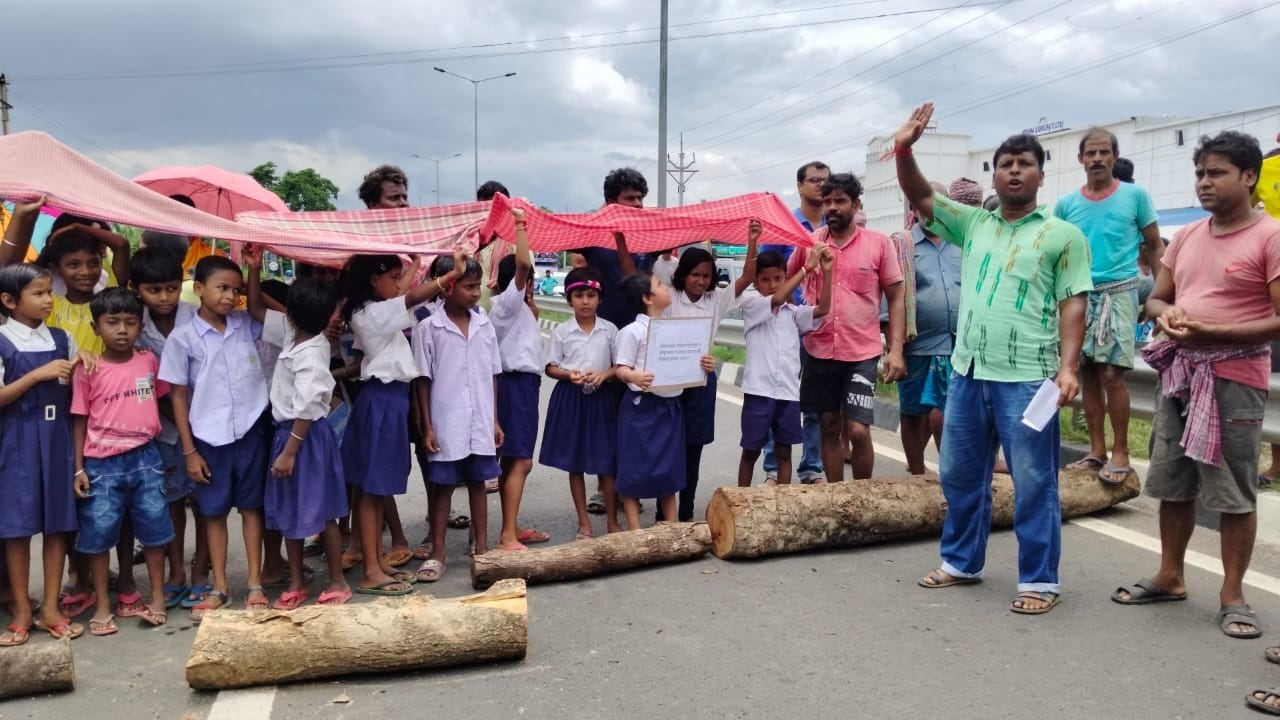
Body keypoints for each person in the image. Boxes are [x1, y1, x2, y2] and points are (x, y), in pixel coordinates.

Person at [897, 103, 1091, 615]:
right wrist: (903, 149)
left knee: (1033, 482)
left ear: (1040, 175)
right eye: (1005, 163)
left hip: (1028, 378)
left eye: (1024, 163)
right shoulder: (974, 224)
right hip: (967, 373)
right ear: (995, 173)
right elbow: (919, 195)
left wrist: (1068, 368)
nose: (1013, 170)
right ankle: (962, 562)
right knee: (960, 474)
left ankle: (1040, 580)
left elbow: (1075, 302)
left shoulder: (1063, 236)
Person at [1105, 132, 1278, 634]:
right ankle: (1170, 574)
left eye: (1217, 172)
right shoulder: (1188, 237)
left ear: (1248, 177)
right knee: (1173, 482)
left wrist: (1216, 331)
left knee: (1233, 489)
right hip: (1181, 375)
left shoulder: (1270, 236)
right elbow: (1155, 299)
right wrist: (1169, 315)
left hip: (1234, 380)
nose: (1205, 182)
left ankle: (1233, 594)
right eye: (1200, 173)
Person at [341, 249, 464, 595]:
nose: (399, 284)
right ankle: (370, 570)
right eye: (392, 277)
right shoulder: (372, 314)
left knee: (377, 490)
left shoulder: (376, 309)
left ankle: (376, 562)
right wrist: (448, 276)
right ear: (373, 280)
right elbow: (410, 295)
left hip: (390, 400)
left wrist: (412, 264)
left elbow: (403, 290)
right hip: (381, 400)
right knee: (370, 490)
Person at [158, 256, 272, 621]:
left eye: (235, 291)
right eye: (222, 288)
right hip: (208, 437)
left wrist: (253, 271)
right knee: (213, 513)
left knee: (253, 508)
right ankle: (220, 585)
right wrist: (190, 450)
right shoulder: (183, 338)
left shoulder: (245, 325)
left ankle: (255, 582)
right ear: (199, 289)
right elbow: (177, 395)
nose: (229, 297)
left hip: (251, 430)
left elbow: (259, 307)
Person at [1055, 128, 1163, 485]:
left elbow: (1153, 246)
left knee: (1112, 375)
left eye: (1104, 152)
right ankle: (1096, 450)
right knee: (1086, 374)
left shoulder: (1135, 196)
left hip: (1119, 294)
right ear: (1081, 159)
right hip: (1079, 295)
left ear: (1114, 157)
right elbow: (1055, 255)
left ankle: (1121, 452)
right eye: (1091, 153)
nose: (1098, 159)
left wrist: (1163, 297)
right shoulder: (1067, 205)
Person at [244, 258, 352, 609]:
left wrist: (290, 451)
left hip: (304, 437)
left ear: (289, 314)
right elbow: (257, 304)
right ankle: (296, 581)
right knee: (290, 509)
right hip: (290, 434)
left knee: (323, 513)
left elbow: (306, 408)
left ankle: (337, 581)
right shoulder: (296, 336)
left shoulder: (310, 353)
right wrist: (254, 266)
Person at [787, 173, 906, 482]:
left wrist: (896, 350)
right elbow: (786, 286)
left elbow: (896, 297)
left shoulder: (878, 243)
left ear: (856, 204)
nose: (832, 207)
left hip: (861, 353)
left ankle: (861, 496)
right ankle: (836, 497)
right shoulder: (808, 242)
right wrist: (807, 265)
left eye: (840, 201)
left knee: (857, 429)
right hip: (819, 350)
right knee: (828, 424)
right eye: (827, 202)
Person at [71, 288, 174, 635]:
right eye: (112, 322)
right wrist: (78, 467)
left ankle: (157, 598)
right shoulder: (88, 369)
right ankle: (103, 604)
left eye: (130, 322)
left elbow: (164, 401)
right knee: (99, 534)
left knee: (155, 530)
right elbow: (79, 420)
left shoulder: (148, 361)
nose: (122, 330)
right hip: (101, 463)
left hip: (146, 456)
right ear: (96, 326)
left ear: (140, 325)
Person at [0, 263, 91, 644]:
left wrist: (85, 360)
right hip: (16, 438)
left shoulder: (62, 337)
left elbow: (76, 399)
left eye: (48, 292)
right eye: (38, 294)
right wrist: (36, 376)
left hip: (56, 438)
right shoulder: (2, 340)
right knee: (17, 528)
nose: (47, 300)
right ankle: (22, 607)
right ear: (9, 300)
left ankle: (51, 606)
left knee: (58, 524)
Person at [660, 221, 759, 520]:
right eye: (694, 275)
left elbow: (748, 277)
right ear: (683, 275)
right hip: (668, 384)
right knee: (667, 446)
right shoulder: (668, 296)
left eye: (706, 276)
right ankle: (665, 512)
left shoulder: (716, 300)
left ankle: (686, 511)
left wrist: (752, 241)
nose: (700, 281)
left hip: (702, 382)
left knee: (693, 448)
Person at [129, 247, 210, 611]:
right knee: (173, 501)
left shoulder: (197, 317)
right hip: (161, 429)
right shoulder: (132, 325)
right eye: (154, 290)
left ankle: (200, 571)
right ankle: (176, 571)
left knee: (207, 502)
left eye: (171, 288)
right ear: (136, 290)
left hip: (206, 422)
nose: (164, 297)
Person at [412, 253, 501, 582]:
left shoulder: (484, 325)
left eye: (477, 286)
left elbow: (493, 373)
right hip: (446, 421)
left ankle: (481, 547)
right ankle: (437, 552)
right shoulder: (428, 328)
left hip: (479, 420)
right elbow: (423, 379)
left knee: (478, 483)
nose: (475, 292)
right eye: (467, 286)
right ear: (447, 288)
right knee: (443, 487)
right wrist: (427, 426)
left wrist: (494, 420)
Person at [614, 270, 715, 529]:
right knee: (634, 463)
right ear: (648, 298)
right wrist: (633, 375)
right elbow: (620, 368)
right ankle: (635, 529)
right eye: (660, 285)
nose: (667, 287)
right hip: (642, 408)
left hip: (671, 407)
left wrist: (704, 364)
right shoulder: (632, 332)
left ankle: (670, 525)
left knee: (669, 465)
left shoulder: (673, 328)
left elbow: (688, 362)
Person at [578, 168, 652, 515]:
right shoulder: (593, 233)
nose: (637, 204)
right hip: (606, 335)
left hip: (640, 336)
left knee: (634, 413)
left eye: (640, 198)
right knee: (606, 414)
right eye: (629, 198)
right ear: (611, 202)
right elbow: (556, 236)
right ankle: (602, 486)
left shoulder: (650, 234)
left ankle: (630, 483)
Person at [759, 161, 830, 485]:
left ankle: (811, 467)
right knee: (779, 398)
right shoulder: (784, 224)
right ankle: (774, 468)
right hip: (784, 326)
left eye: (824, 181)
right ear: (799, 185)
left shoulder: (836, 223)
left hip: (820, 325)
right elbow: (765, 270)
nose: (819, 186)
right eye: (813, 181)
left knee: (813, 401)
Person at [737, 247, 832, 486]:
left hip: (787, 393)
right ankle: (739, 500)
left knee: (784, 451)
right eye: (765, 280)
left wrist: (827, 273)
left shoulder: (793, 313)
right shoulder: (753, 306)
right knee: (751, 450)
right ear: (756, 283)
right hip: (759, 391)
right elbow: (777, 299)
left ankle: (782, 501)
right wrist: (806, 268)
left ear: (785, 277)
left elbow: (822, 309)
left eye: (779, 278)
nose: (773, 285)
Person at [892, 180, 968, 476]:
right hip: (918, 344)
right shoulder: (902, 245)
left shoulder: (963, 243)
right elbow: (893, 296)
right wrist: (895, 348)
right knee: (913, 413)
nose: (929, 207)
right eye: (921, 201)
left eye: (938, 201)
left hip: (958, 345)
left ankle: (951, 475)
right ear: (913, 207)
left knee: (953, 414)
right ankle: (916, 473)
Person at [540, 267, 621, 537]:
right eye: (578, 295)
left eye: (590, 295)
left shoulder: (610, 331)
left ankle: (612, 521)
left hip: (602, 399)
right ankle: (584, 522)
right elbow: (550, 367)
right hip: (570, 398)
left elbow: (620, 366)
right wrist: (568, 374)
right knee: (575, 462)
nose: (585, 301)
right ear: (569, 299)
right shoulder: (563, 332)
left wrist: (604, 374)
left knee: (607, 462)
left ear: (599, 298)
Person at [489, 208, 550, 550]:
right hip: (515, 386)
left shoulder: (518, 307)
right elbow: (524, 265)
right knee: (520, 460)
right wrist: (520, 225)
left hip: (522, 386)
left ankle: (509, 526)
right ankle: (507, 534)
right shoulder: (506, 304)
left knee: (513, 460)